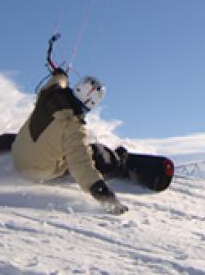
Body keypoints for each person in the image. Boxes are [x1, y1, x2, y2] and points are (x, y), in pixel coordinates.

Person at [11, 67, 128, 214]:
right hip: (37, 172)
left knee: (47, 135)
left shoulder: (49, 92)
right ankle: (117, 160)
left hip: (17, 154)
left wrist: (61, 74)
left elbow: (58, 80)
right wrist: (109, 199)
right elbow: (82, 167)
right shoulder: (74, 129)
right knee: (93, 152)